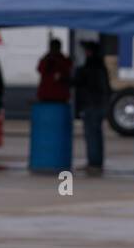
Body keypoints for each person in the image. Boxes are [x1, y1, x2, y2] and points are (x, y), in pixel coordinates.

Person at [72, 40, 110, 173]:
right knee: (96, 135)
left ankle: (94, 163)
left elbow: (78, 81)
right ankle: (96, 162)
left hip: (92, 105)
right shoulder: (100, 65)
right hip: (98, 104)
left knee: (92, 135)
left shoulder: (91, 66)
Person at [36, 38, 72, 103]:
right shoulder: (47, 59)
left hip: (58, 94)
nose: (54, 49)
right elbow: (40, 70)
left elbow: (68, 71)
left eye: (56, 47)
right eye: (53, 47)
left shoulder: (63, 60)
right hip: (48, 94)